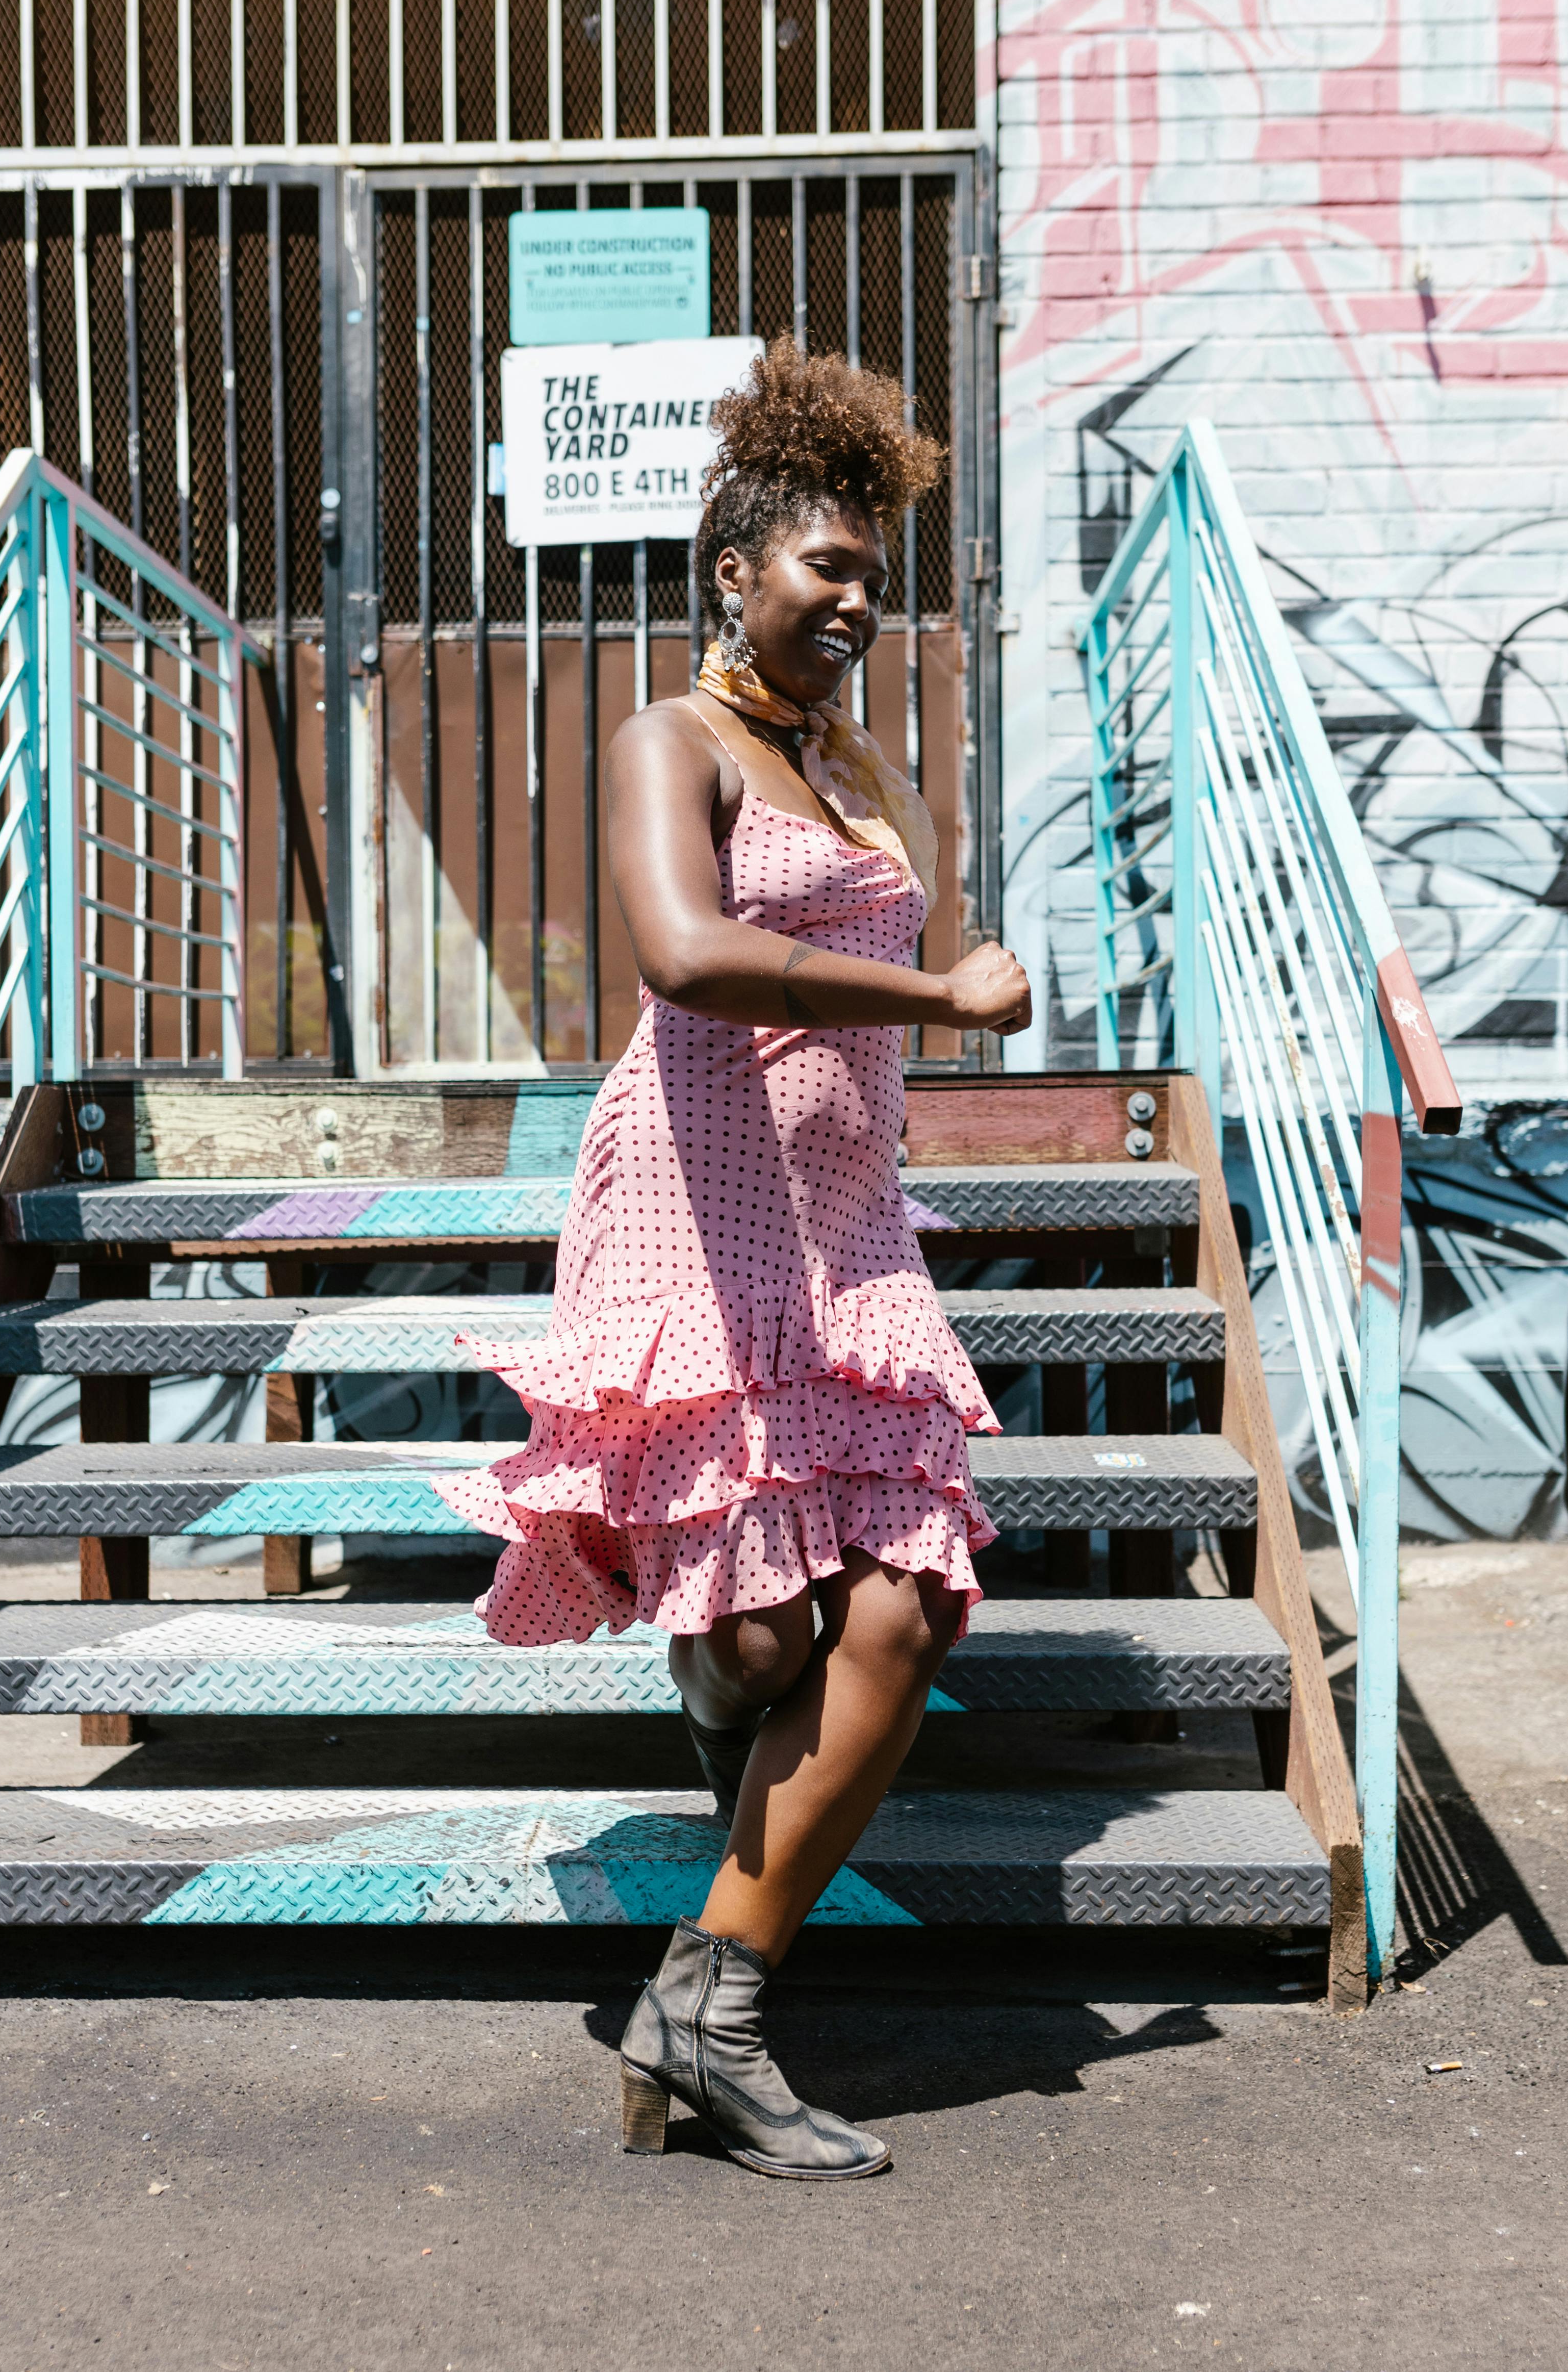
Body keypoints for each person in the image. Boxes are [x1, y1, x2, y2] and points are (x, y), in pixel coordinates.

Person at [440, 339, 1031, 2179]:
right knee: (763, 1622)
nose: (857, 597)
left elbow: (908, 920)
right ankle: (727, 1816)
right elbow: (684, 956)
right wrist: (939, 989)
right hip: (693, 1194)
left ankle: (711, 1995)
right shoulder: (665, 741)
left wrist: (934, 945)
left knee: (900, 1606)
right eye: (824, 567)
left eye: (873, 572)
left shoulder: (859, 767)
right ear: (733, 572)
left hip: (844, 1222)